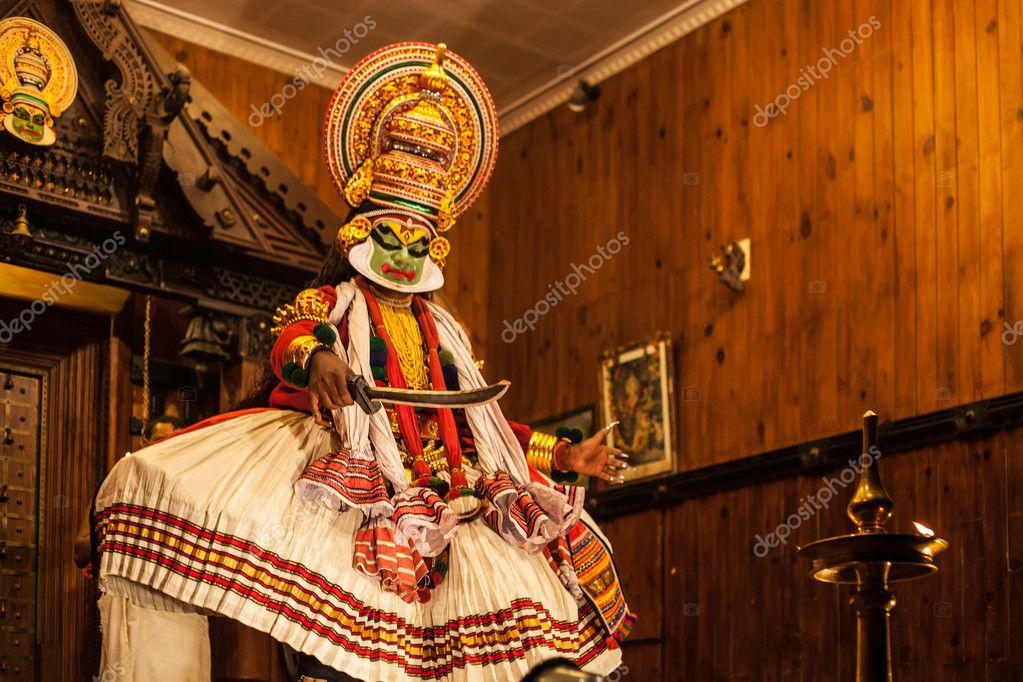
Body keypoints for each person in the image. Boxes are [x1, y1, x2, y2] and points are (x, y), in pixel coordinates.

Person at [93, 42, 634, 682]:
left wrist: (565, 457)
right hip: (356, 490)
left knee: (525, 634)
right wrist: (320, 354)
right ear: (359, 234)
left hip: (450, 504)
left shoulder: (444, 331)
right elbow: (292, 335)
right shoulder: (334, 302)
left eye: (418, 242)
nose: (404, 255)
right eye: (391, 237)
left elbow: (477, 427)